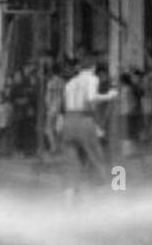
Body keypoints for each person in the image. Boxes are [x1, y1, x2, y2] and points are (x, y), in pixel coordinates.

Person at [60, 51, 107, 182]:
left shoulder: (69, 84)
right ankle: (114, 188)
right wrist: (98, 126)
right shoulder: (92, 82)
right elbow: (93, 105)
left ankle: (78, 187)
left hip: (70, 123)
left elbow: (64, 106)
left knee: (77, 158)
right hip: (85, 121)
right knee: (99, 157)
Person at [42, 64, 65, 156]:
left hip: (52, 108)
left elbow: (48, 97)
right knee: (58, 129)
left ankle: (53, 148)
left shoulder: (51, 82)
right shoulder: (63, 82)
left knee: (48, 129)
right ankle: (59, 147)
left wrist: (47, 106)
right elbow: (64, 96)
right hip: (61, 108)